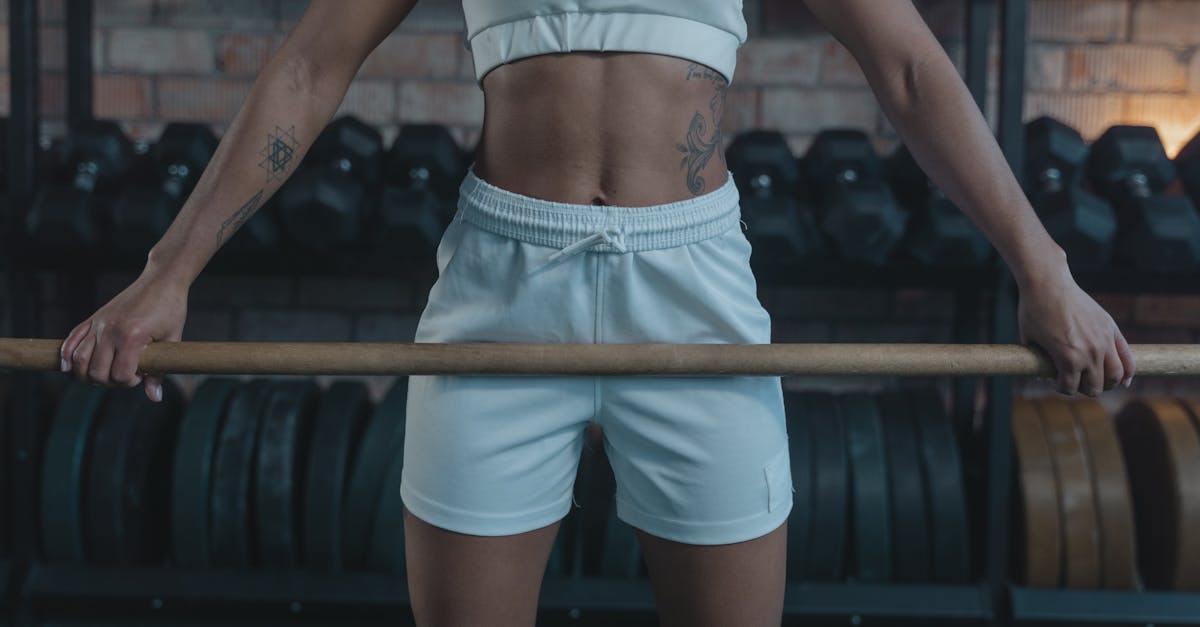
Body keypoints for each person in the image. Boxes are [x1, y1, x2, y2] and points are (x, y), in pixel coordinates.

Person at [59, 1, 1134, 625]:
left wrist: (1045, 270)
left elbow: (904, 65)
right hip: (501, 285)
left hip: (695, 287)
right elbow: (309, 62)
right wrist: (170, 268)